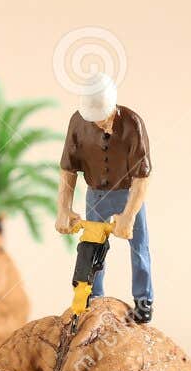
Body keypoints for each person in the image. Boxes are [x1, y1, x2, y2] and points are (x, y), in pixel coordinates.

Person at [54, 73, 153, 323]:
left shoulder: (132, 124)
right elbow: (68, 169)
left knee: (139, 247)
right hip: (96, 194)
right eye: (93, 119)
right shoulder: (78, 122)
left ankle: (144, 300)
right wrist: (63, 209)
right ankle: (92, 296)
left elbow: (142, 177)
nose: (97, 124)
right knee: (91, 246)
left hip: (128, 194)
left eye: (102, 118)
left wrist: (129, 216)